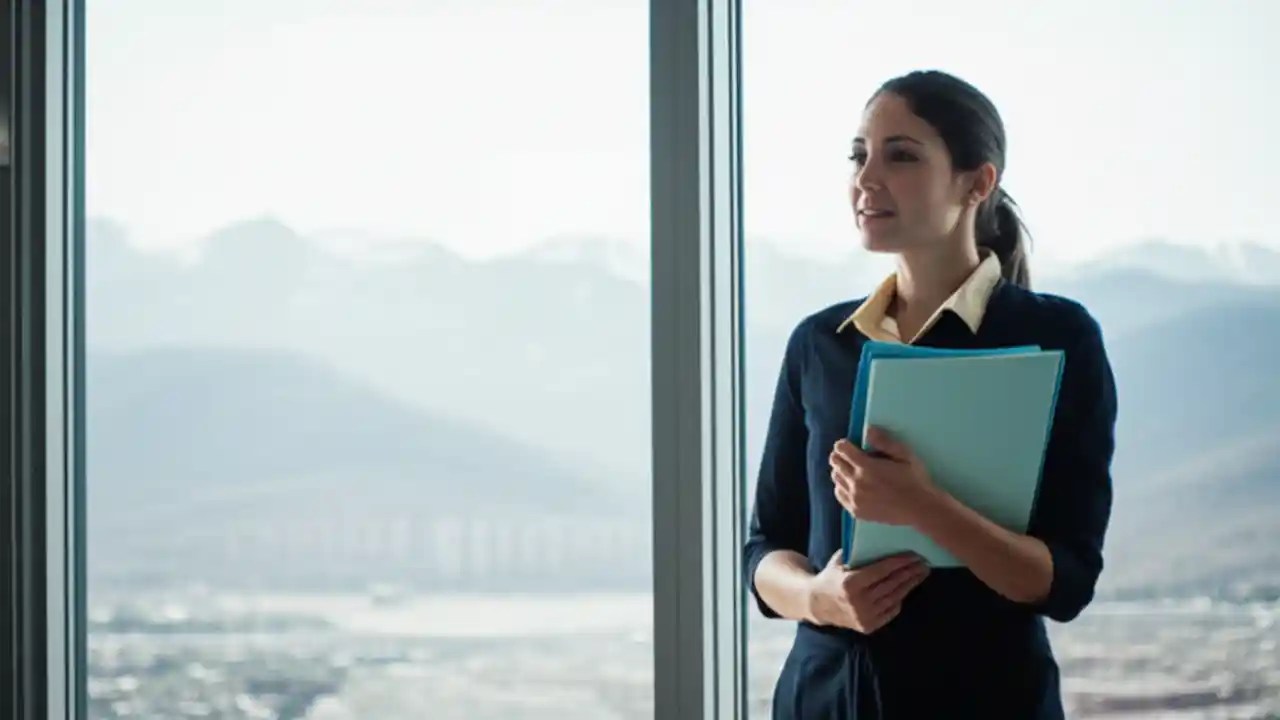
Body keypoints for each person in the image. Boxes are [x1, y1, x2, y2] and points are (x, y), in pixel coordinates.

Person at [743, 69, 1118, 719]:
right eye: (858, 155)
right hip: (827, 696)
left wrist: (921, 505)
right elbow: (765, 549)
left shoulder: (1057, 338)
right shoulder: (820, 344)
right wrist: (820, 599)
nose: (866, 178)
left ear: (977, 182)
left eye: (901, 156)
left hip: (987, 700)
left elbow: (1066, 580)